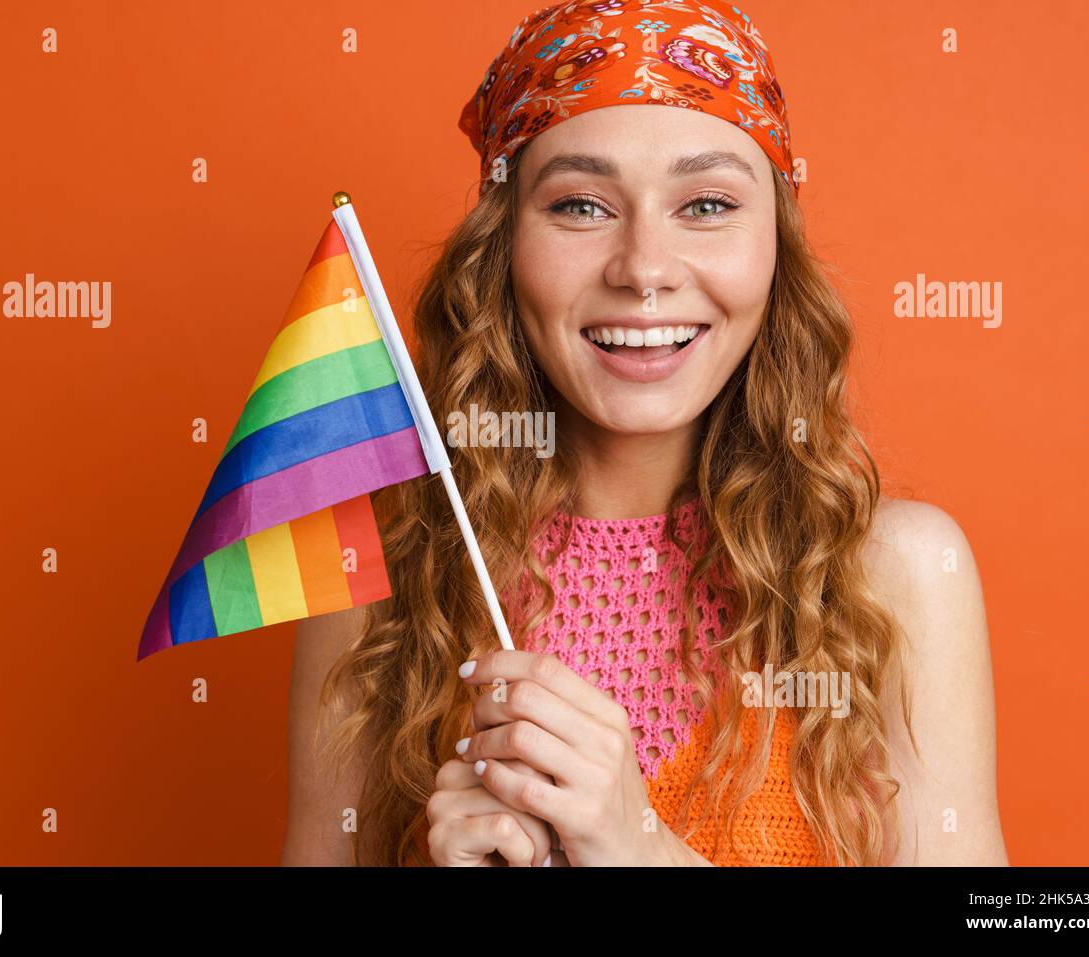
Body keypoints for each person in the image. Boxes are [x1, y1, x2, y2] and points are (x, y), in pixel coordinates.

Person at [282, 0, 1008, 867]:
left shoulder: (898, 574)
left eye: (705, 204)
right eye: (583, 206)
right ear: (502, 244)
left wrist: (638, 847)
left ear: (776, 246)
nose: (645, 270)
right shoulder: (383, 577)